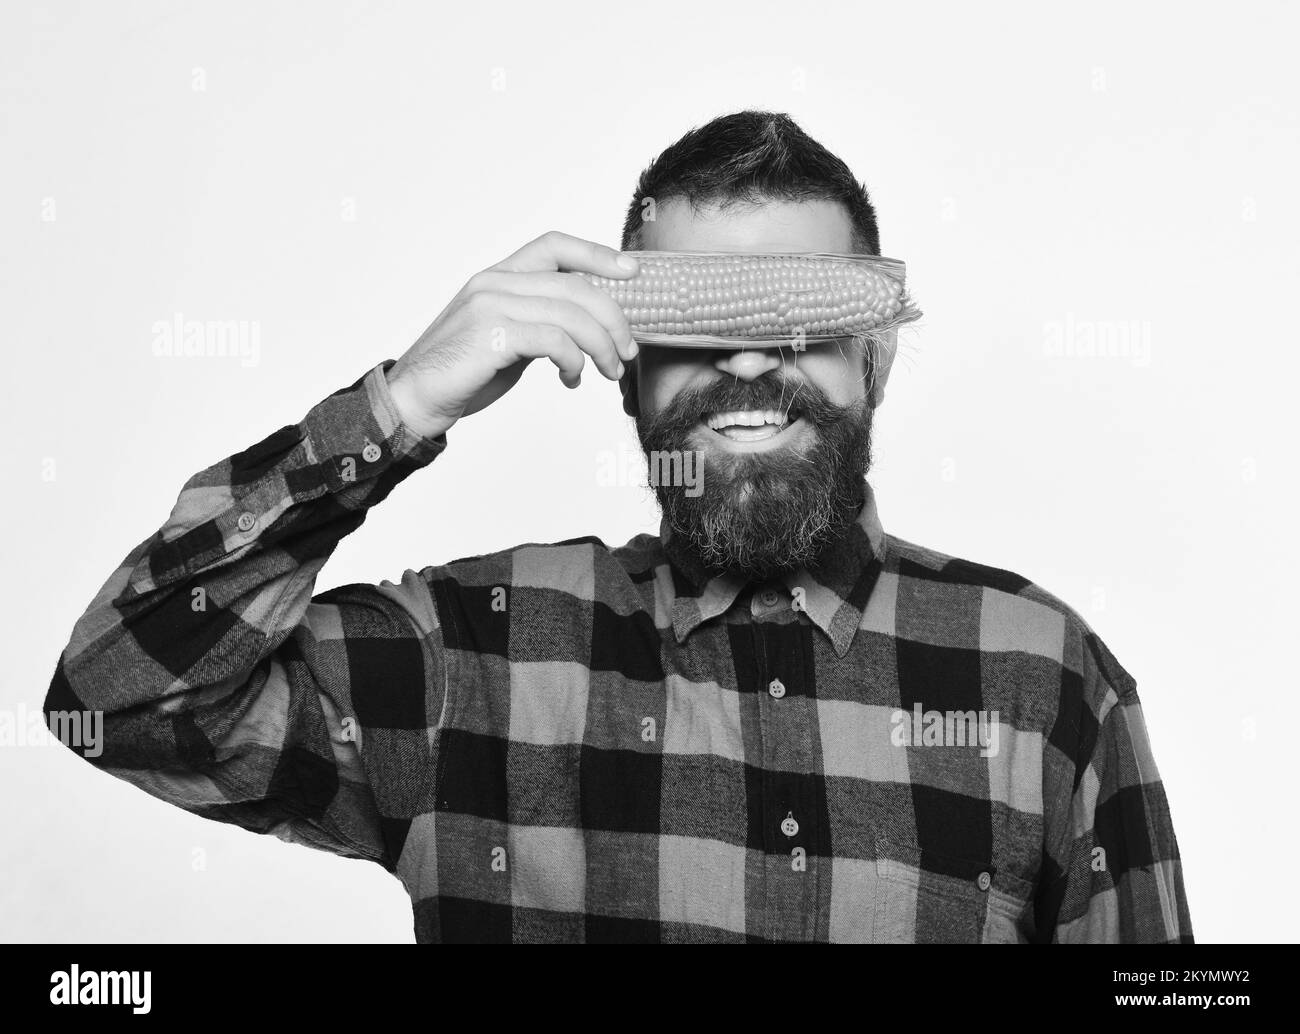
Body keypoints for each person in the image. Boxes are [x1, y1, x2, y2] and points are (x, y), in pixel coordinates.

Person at [45, 110, 1192, 943]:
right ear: (623, 370)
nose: (748, 360)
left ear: (874, 356)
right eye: (696, 322)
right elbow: (114, 698)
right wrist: (394, 408)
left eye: (802, 318)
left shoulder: (1043, 676)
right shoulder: (471, 656)